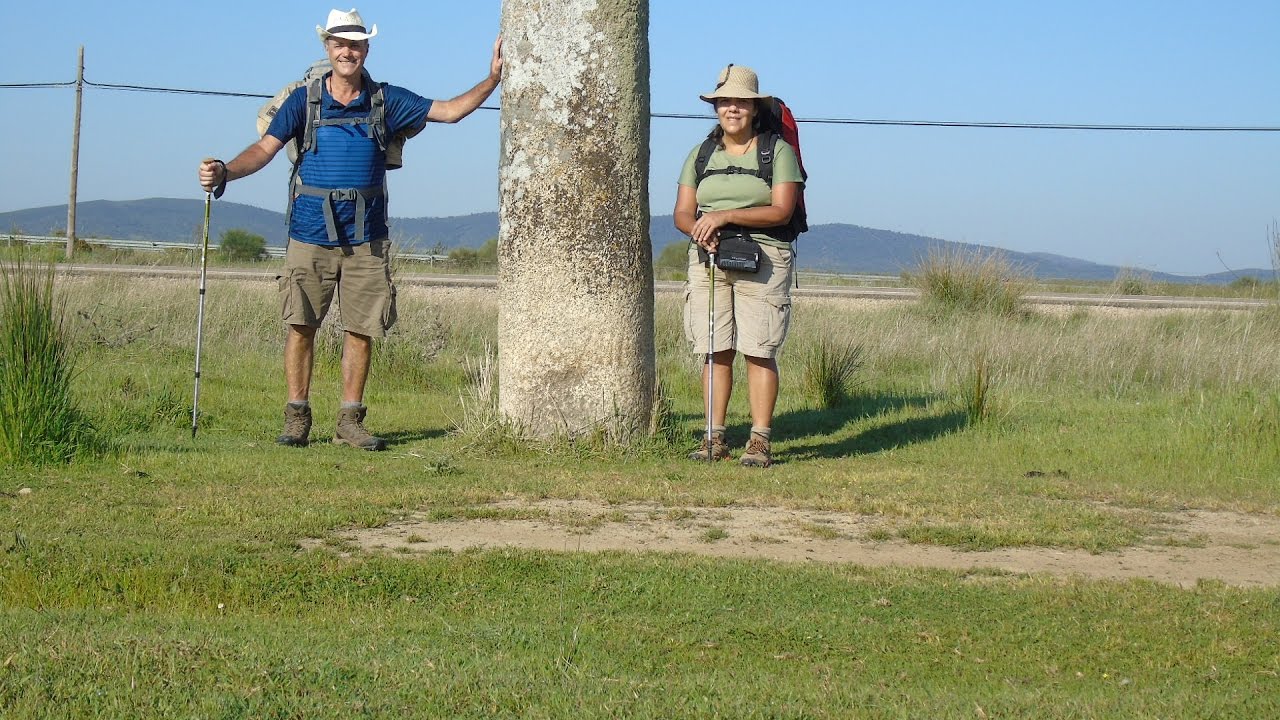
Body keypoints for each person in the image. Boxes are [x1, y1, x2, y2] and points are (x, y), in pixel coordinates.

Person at [198, 8, 502, 451]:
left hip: (367, 238)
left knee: (361, 329)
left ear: (366, 50)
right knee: (300, 325)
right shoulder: (302, 101)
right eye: (339, 43)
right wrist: (225, 171)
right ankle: (296, 418)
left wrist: (492, 78)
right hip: (308, 234)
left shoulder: (386, 100)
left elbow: (451, 112)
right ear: (327, 48)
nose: (347, 51)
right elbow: (263, 151)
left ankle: (349, 423)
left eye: (355, 44)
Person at [673, 65, 804, 468]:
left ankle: (760, 441)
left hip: (764, 260)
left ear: (754, 107)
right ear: (715, 108)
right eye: (725, 101)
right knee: (714, 350)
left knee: (759, 350)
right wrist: (700, 229)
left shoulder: (776, 151)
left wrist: (725, 216)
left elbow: (782, 211)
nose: (733, 108)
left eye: (741, 102)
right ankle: (714, 439)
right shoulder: (700, 154)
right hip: (709, 259)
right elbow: (681, 212)